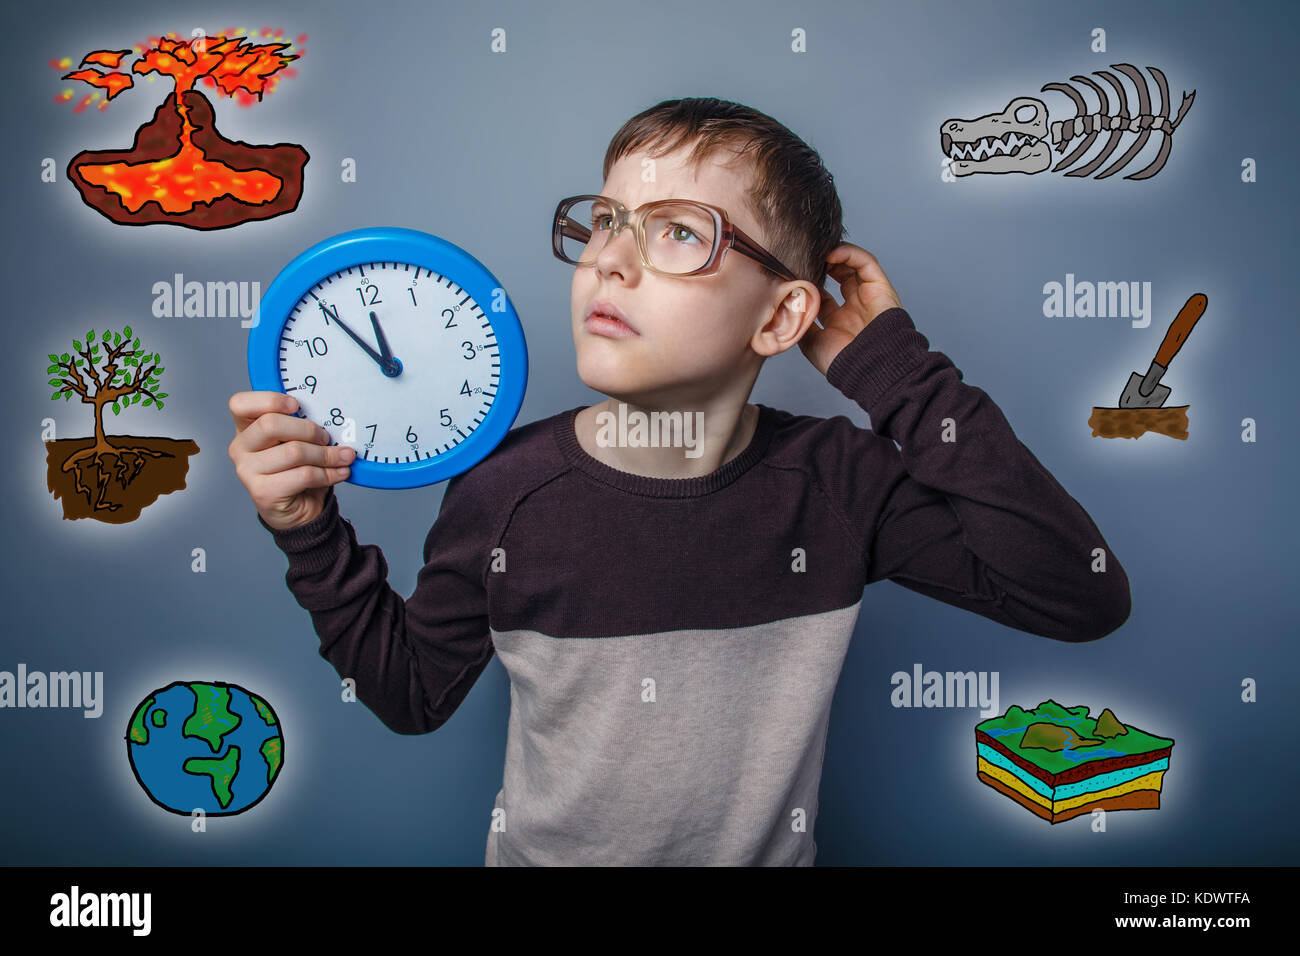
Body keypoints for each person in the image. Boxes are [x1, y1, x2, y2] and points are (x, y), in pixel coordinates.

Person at [227, 97, 1131, 865]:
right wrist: (310, 533)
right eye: (608, 220)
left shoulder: (842, 486)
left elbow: (1075, 594)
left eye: (678, 233)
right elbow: (412, 695)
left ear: (783, 314)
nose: (609, 259)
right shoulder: (503, 492)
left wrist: (897, 374)